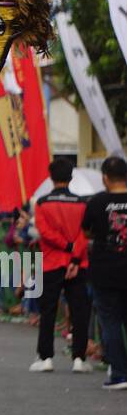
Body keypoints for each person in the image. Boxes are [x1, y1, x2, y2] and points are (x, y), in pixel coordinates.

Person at [30, 159, 91, 374]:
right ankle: (79, 358)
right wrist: (74, 252)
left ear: (51, 177)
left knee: (48, 310)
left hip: (51, 262)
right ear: (71, 177)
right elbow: (85, 233)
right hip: (77, 263)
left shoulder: (42, 203)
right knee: (79, 311)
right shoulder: (82, 203)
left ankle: (46, 357)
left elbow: (44, 232)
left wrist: (65, 245)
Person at [77, 154, 127, 390]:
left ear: (105, 178)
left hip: (105, 271)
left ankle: (119, 373)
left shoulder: (96, 202)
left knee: (110, 323)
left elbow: (86, 232)